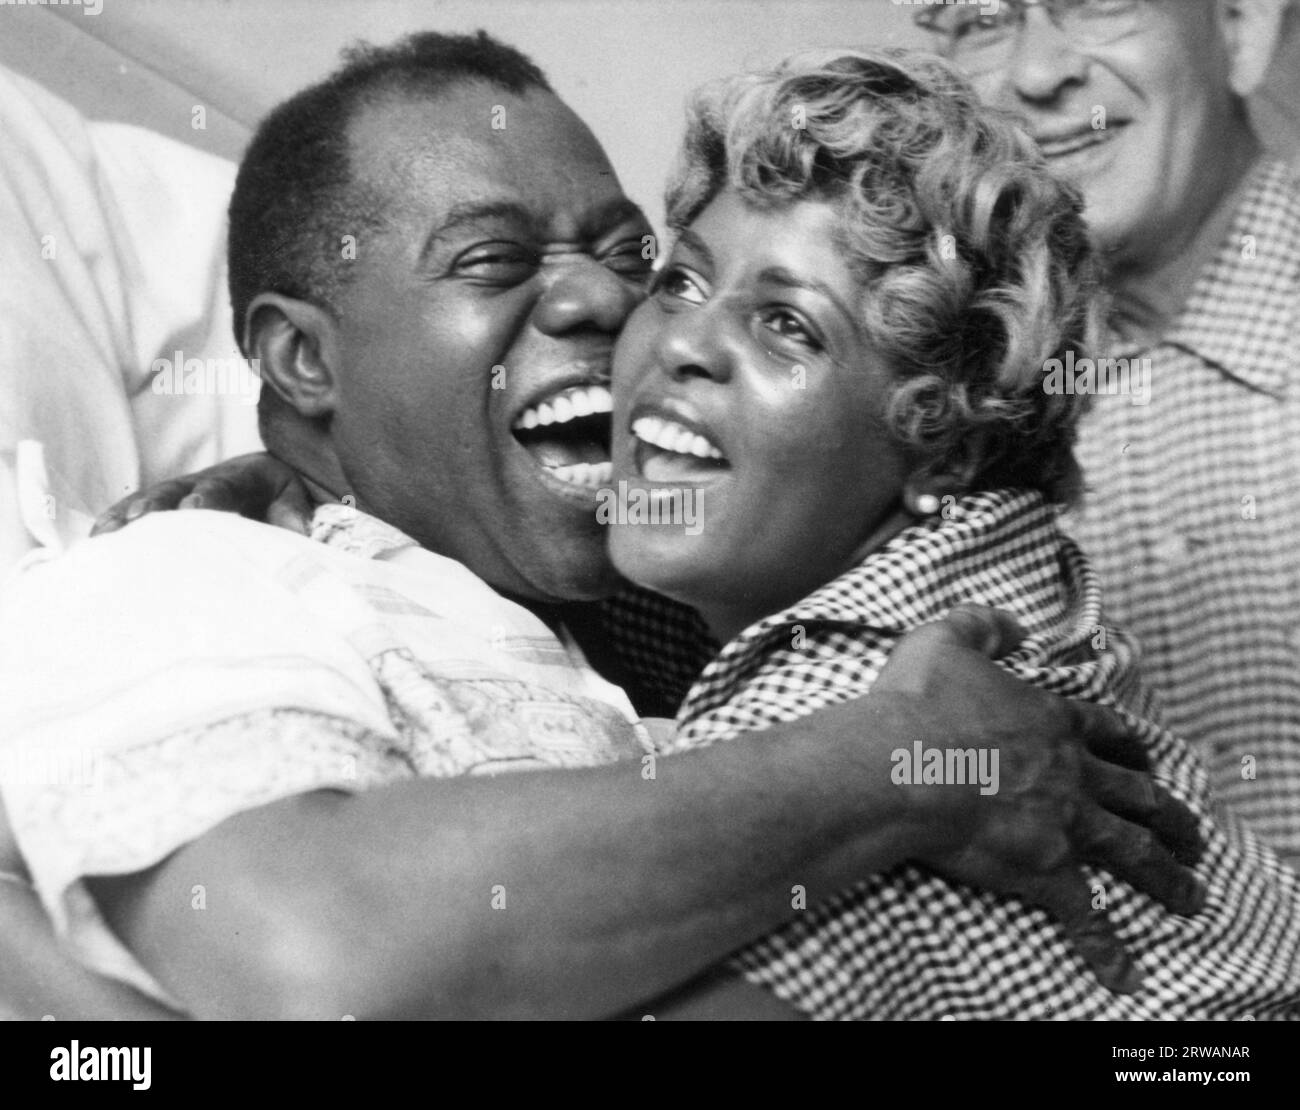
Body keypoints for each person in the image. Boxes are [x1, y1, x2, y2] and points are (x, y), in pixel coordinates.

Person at [0, 31, 1199, 1021]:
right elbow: (317, 960)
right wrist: (891, 764)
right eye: (493, 260)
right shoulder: (187, 579)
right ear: (304, 358)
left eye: (638, 257)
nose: (614, 304)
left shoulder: (670, 616)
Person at [597, 45, 1300, 1019]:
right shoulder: (1017, 658)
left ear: (946, 453)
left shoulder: (836, 724)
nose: (679, 343)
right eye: (678, 282)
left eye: (788, 326)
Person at [914, 0, 1300, 863]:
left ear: (1242, 29)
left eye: (1097, 2)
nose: (1038, 72)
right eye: (980, 19)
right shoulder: (945, 416)